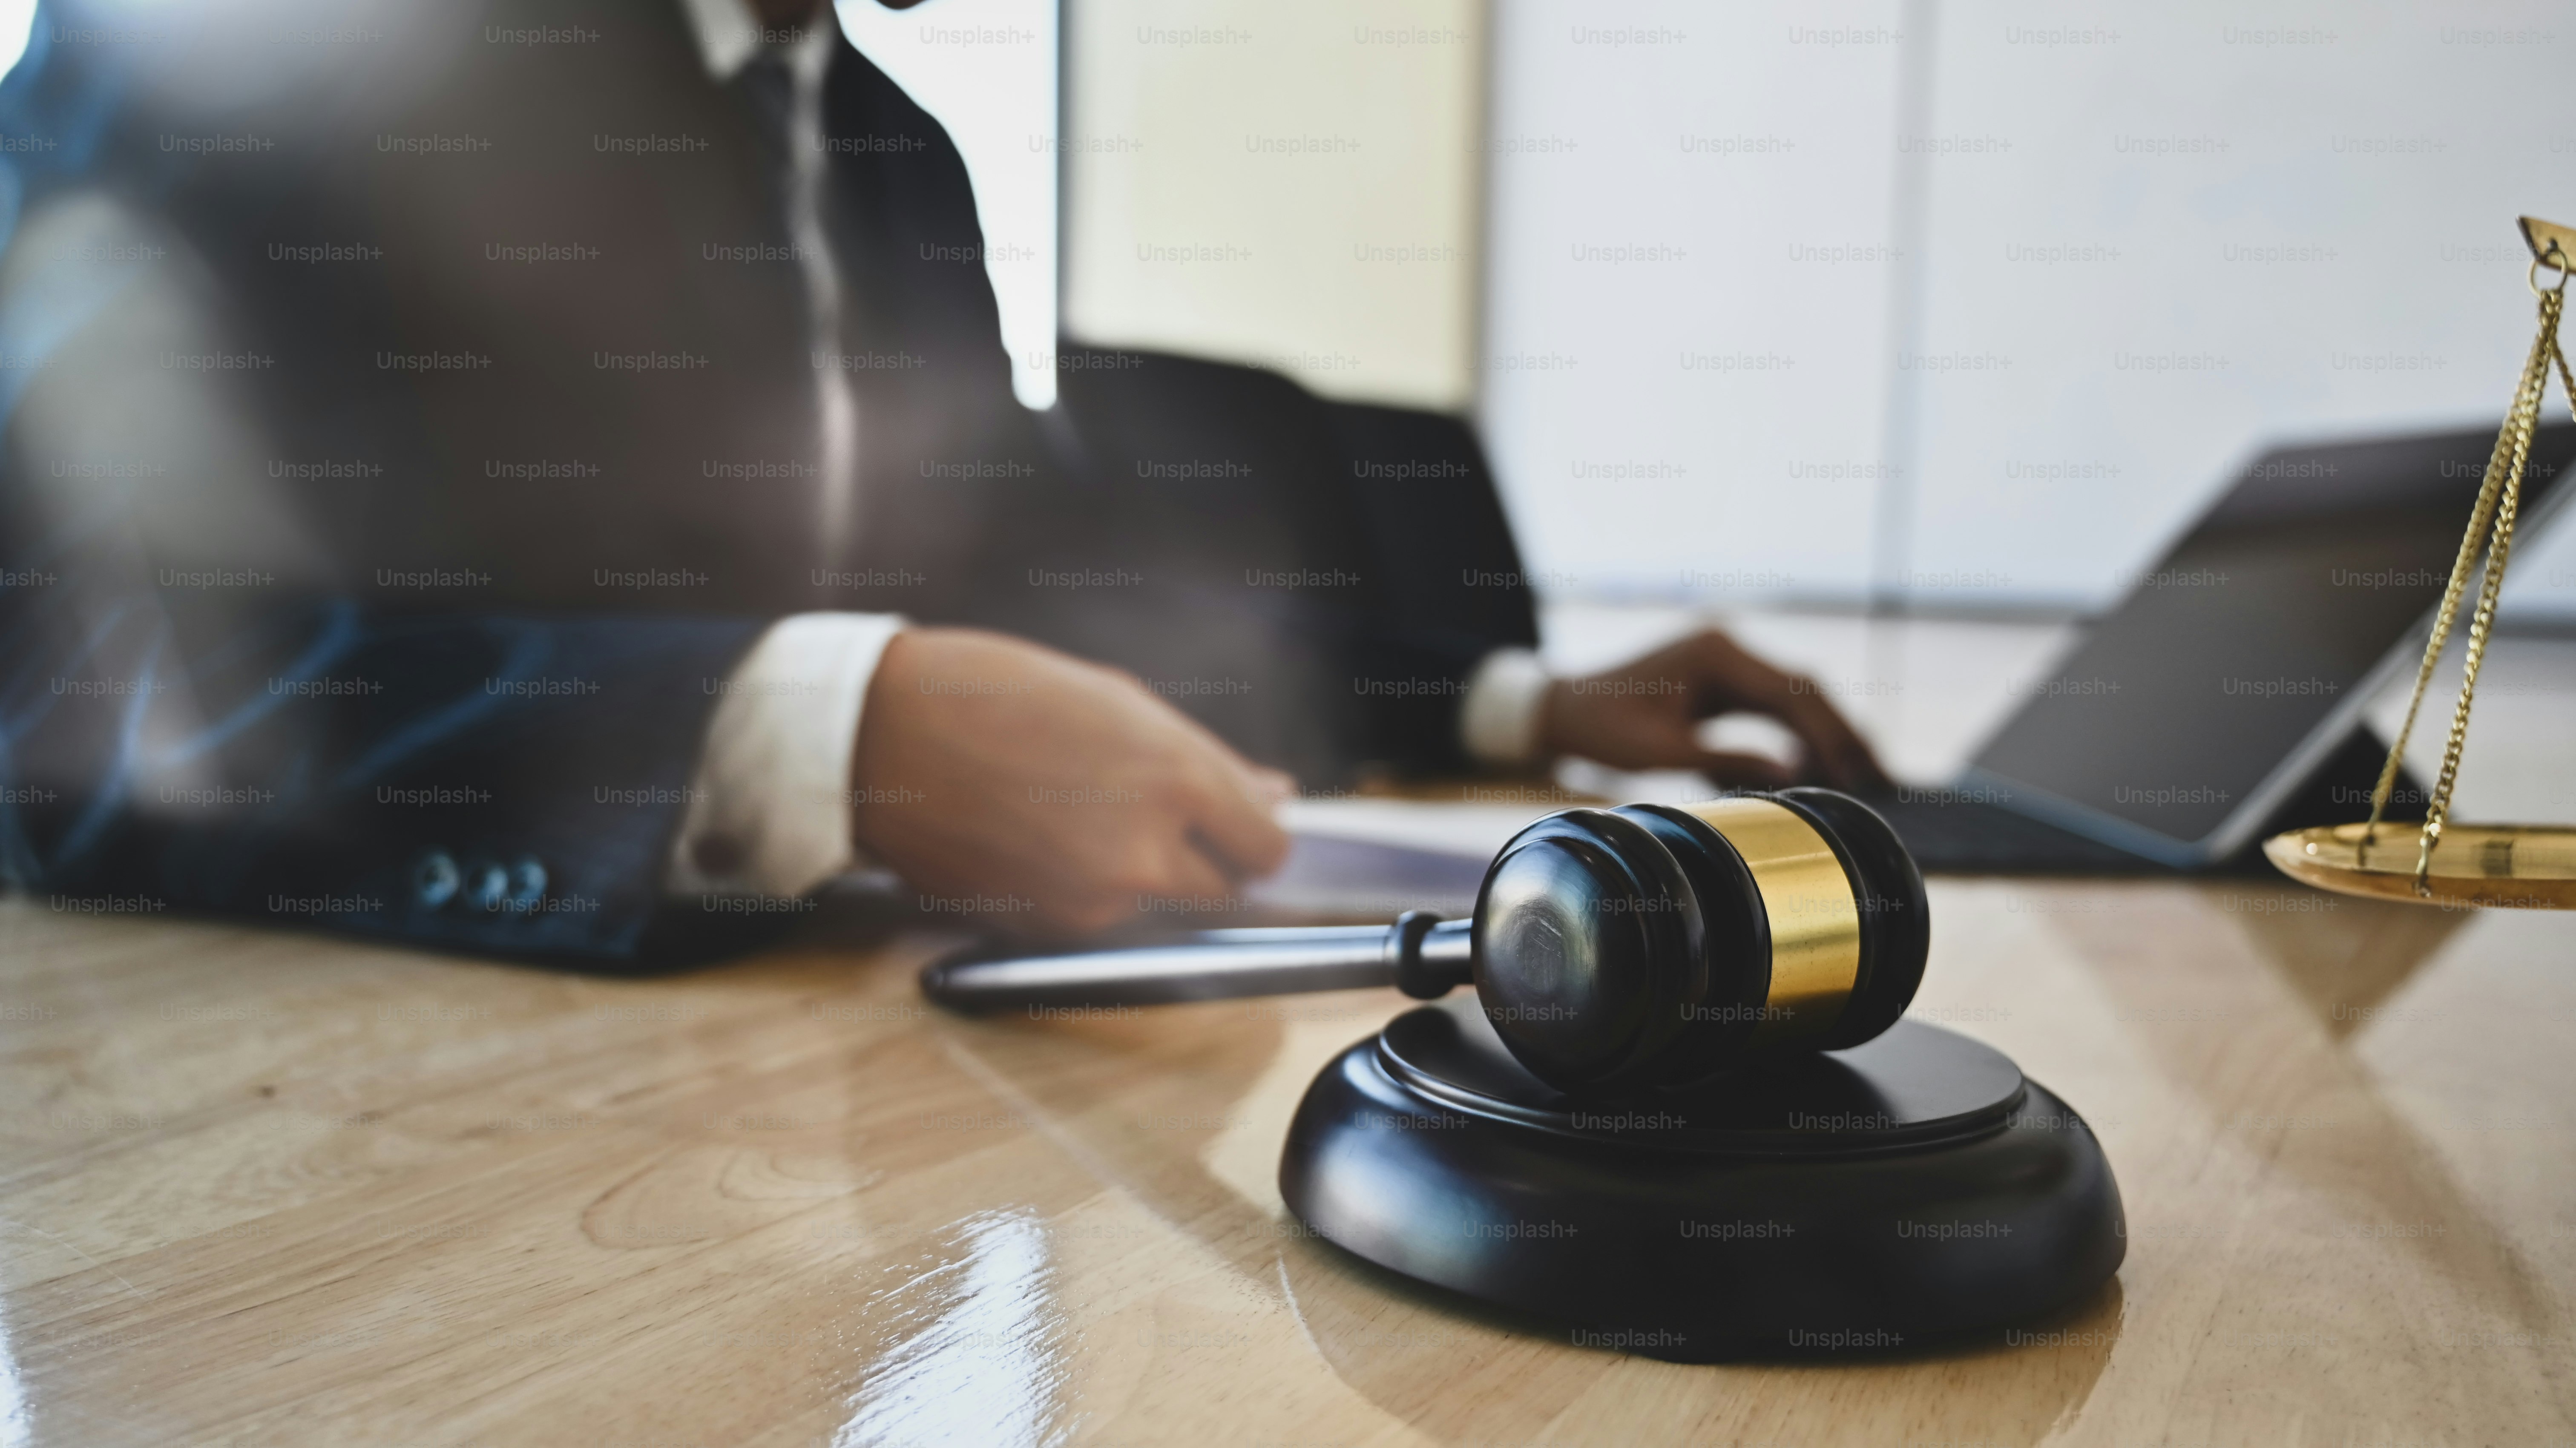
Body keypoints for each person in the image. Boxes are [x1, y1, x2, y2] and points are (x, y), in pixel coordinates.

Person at [0, 0, 1884, 963]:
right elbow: (91, 693)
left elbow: (1051, 601)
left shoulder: (897, 152)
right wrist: (834, 733)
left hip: (814, 1156)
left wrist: (1515, 700)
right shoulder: (245, 64)